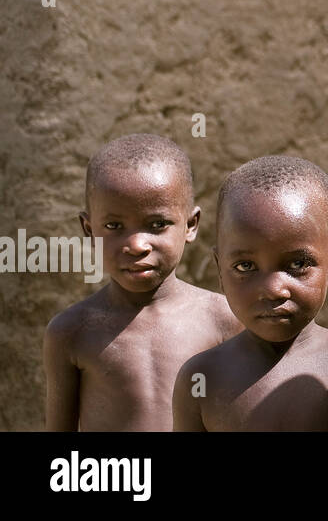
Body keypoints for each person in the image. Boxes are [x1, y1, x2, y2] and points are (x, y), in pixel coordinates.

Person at [43, 133, 242, 430]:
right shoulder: (72, 332)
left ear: (190, 225)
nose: (136, 244)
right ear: (89, 229)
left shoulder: (223, 318)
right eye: (113, 226)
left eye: (157, 224)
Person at [172, 155, 328, 431]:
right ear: (220, 271)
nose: (273, 289)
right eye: (245, 266)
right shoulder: (202, 378)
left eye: (297, 264)